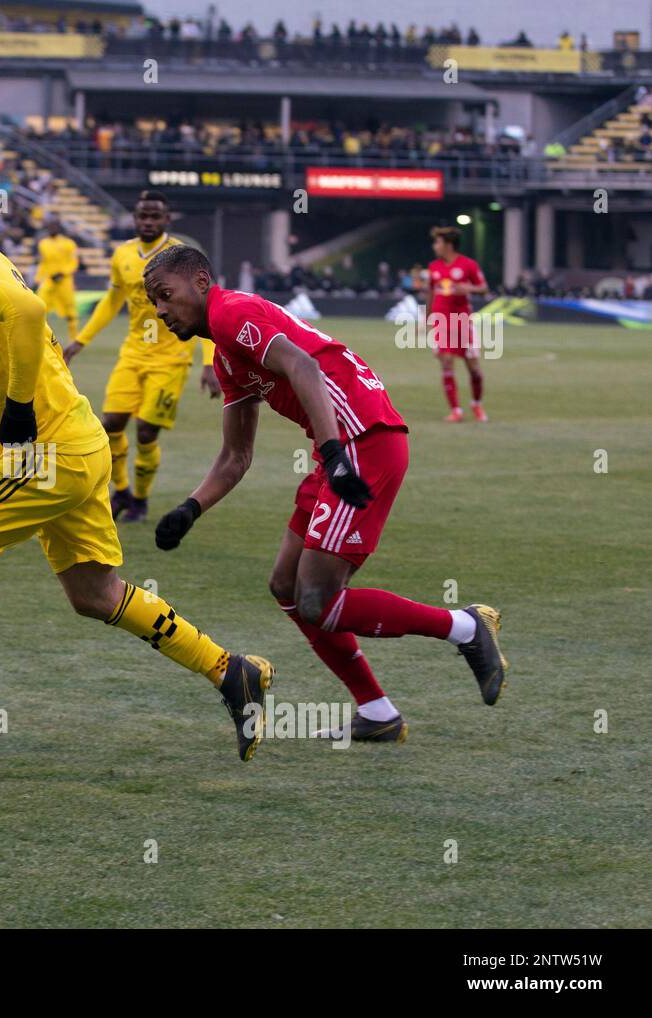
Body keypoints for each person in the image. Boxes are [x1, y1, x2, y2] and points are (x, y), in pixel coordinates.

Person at [0, 162, 275, 760]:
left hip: (44, 456)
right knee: (95, 594)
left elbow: (29, 314)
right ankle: (231, 670)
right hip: (81, 440)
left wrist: (16, 409)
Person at [143, 245, 509, 744]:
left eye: (165, 295)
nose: (161, 311)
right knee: (286, 586)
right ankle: (378, 712)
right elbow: (236, 456)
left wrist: (336, 455)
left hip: (362, 440)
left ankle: (465, 627)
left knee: (316, 598)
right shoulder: (225, 352)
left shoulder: (232, 313)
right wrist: (190, 509)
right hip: (338, 446)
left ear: (201, 281)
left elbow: (306, 369)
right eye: (153, 303)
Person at [63, 191, 216, 523]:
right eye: (143, 216)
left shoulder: (183, 257)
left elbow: (208, 305)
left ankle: (140, 500)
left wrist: (209, 362)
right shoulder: (123, 254)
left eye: (155, 216)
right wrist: (80, 341)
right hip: (133, 354)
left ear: (166, 219)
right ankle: (121, 491)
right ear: (135, 218)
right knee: (112, 424)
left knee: (146, 431)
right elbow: (112, 301)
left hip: (171, 358)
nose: (148, 222)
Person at [419, 226, 489, 421]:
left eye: (438, 242)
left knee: (474, 368)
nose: (435, 246)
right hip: (442, 321)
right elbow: (431, 293)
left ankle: (476, 404)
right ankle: (456, 411)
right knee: (446, 362)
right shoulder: (434, 267)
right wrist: (427, 317)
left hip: (462, 321)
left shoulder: (468, 265)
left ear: (448, 245)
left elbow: (484, 288)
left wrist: (469, 288)